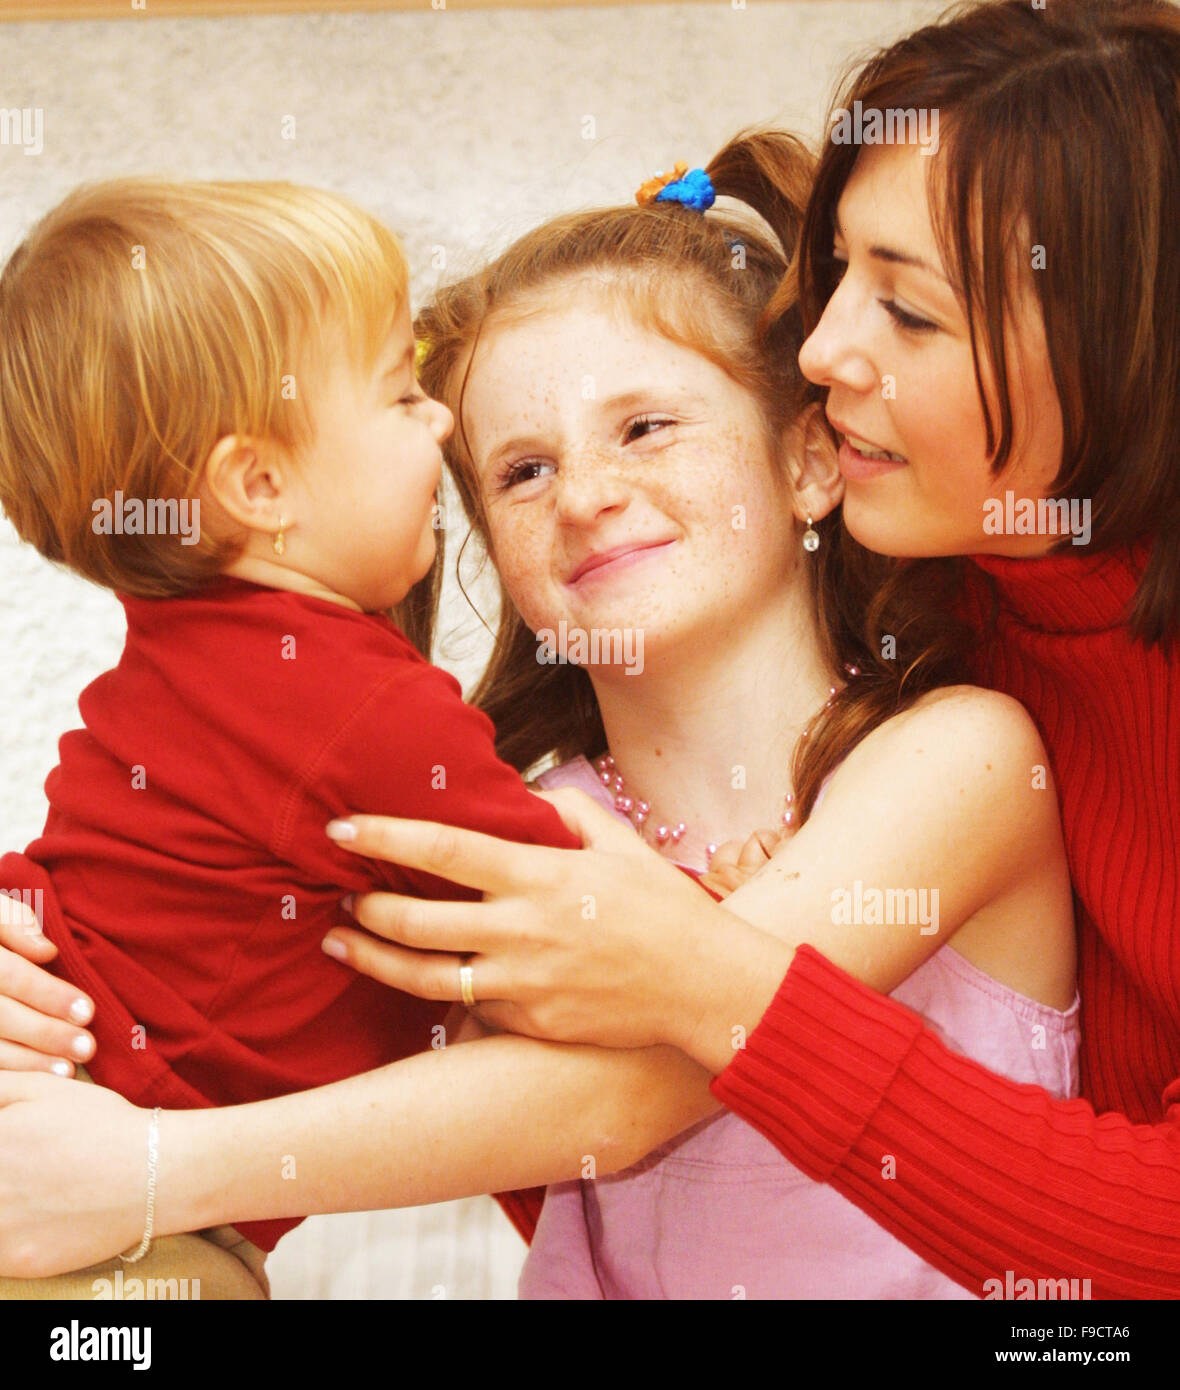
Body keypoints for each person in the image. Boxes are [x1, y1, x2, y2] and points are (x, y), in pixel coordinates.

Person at [0, 130, 1078, 1299]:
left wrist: (148, 1170)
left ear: (811, 459)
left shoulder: (954, 758)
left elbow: (626, 1085)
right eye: (519, 470)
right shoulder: (513, 825)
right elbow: (194, 925)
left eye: (645, 426)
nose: (585, 493)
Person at [0, 176, 728, 1295]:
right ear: (260, 483)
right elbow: (576, 940)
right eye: (400, 398)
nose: (439, 425)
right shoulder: (350, 703)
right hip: (102, 1214)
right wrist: (728, 905)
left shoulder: (191, 660)